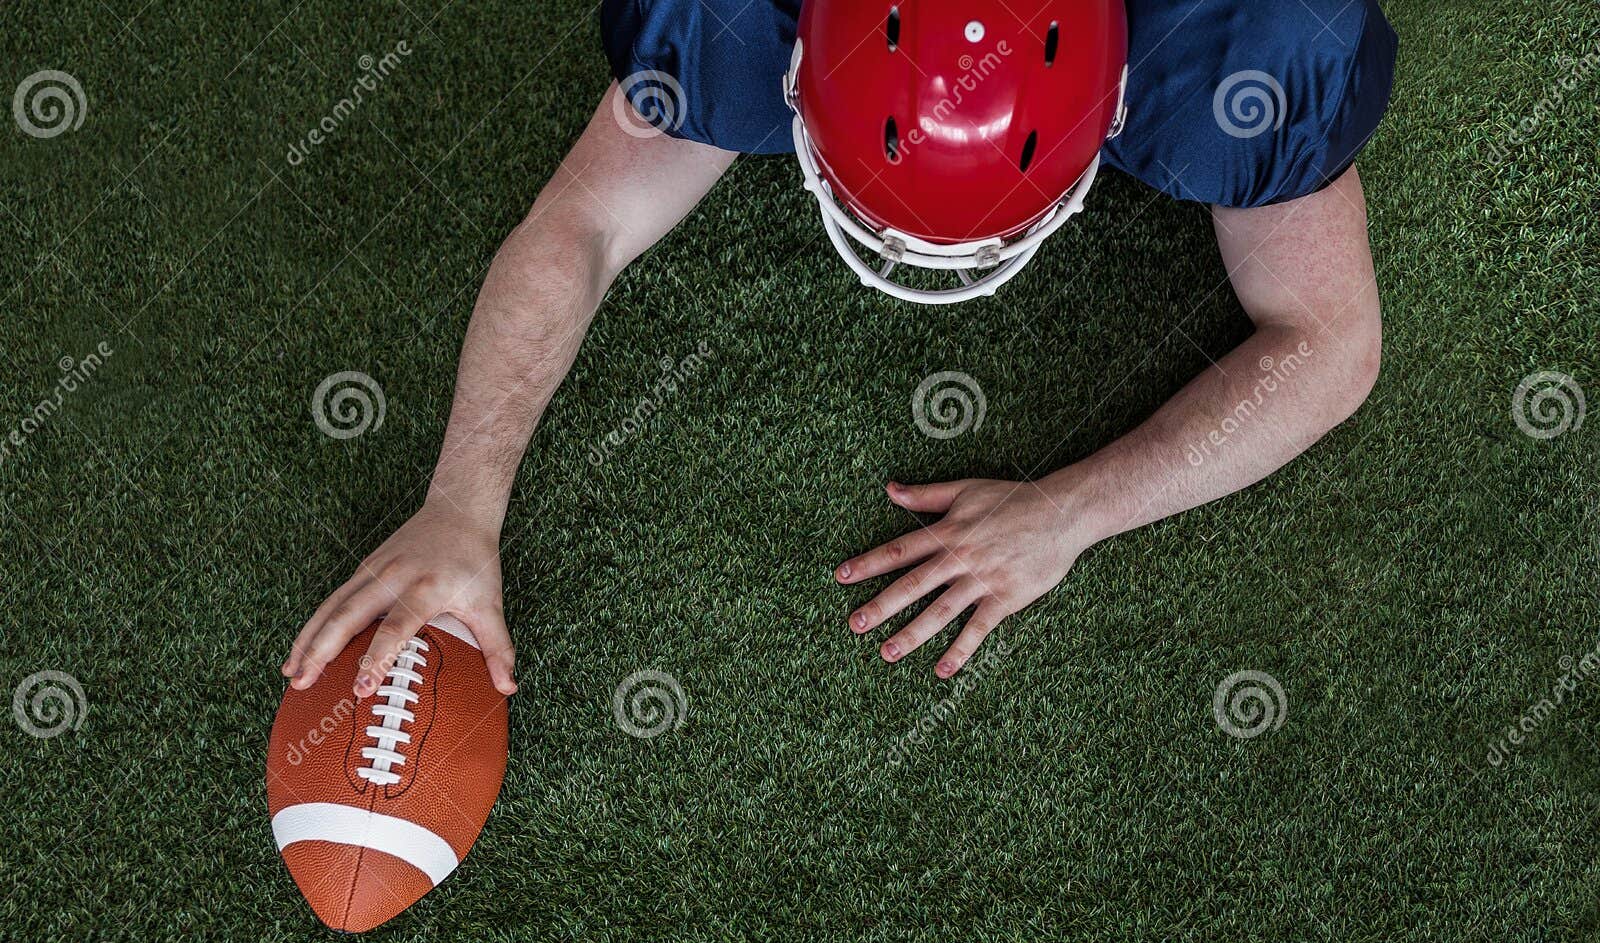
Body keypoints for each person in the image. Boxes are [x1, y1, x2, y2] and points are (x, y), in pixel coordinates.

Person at [283, 0, 1397, 696]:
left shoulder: (1252, 43)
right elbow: (582, 226)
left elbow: (1331, 342)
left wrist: (1075, 510)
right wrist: (458, 502)